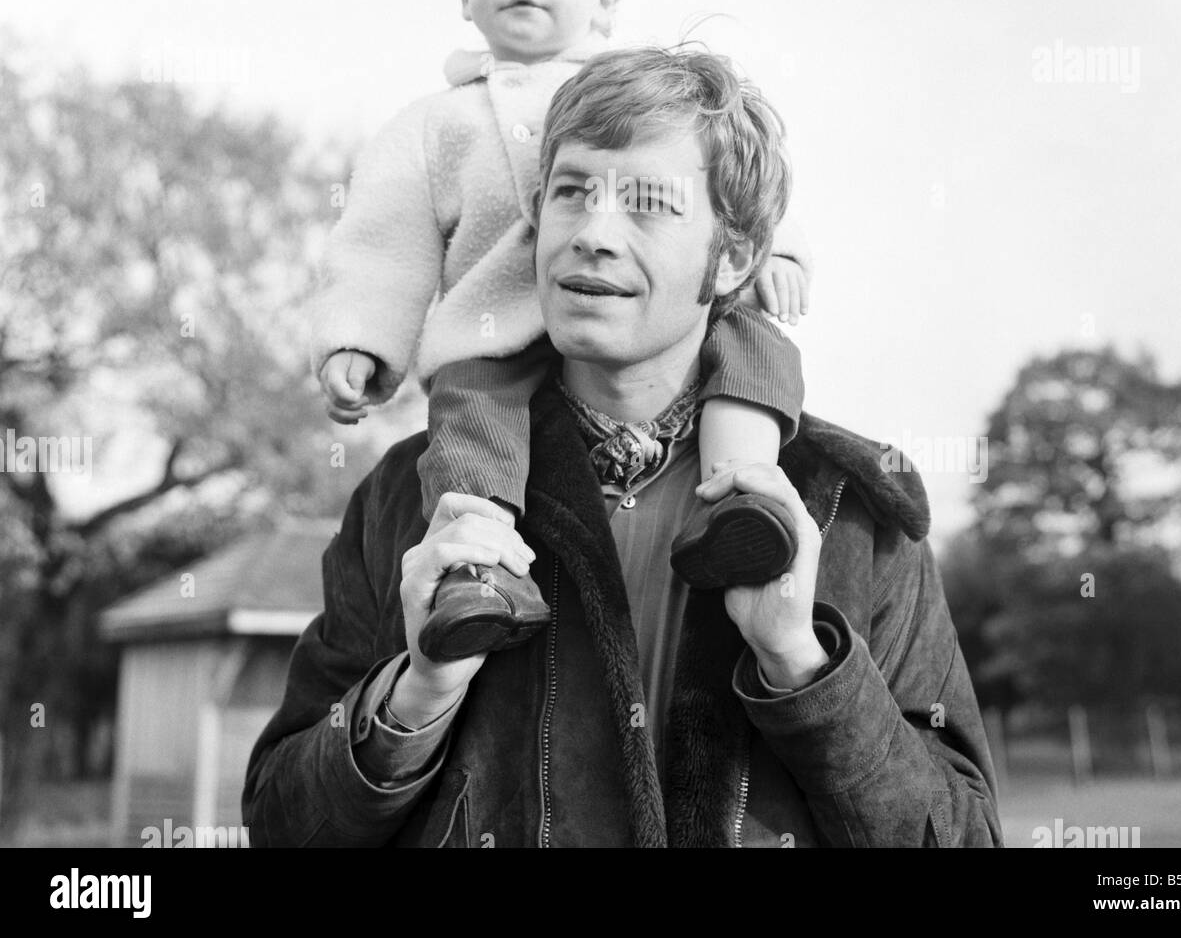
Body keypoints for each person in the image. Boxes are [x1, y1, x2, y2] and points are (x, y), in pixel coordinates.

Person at [244, 47, 1002, 848]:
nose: (592, 234)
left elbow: (963, 840)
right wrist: (415, 697)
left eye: (648, 203)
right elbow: (278, 825)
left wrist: (801, 663)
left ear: (735, 256)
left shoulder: (850, 508)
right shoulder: (413, 496)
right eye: (571, 194)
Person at [310, 0, 814, 662]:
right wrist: (362, 339)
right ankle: (478, 567)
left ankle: (739, 500)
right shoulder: (437, 125)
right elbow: (385, 239)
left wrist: (771, 255)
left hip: (646, 322)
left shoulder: (635, 96)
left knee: (756, 347)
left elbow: (721, 176)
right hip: (495, 327)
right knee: (470, 418)